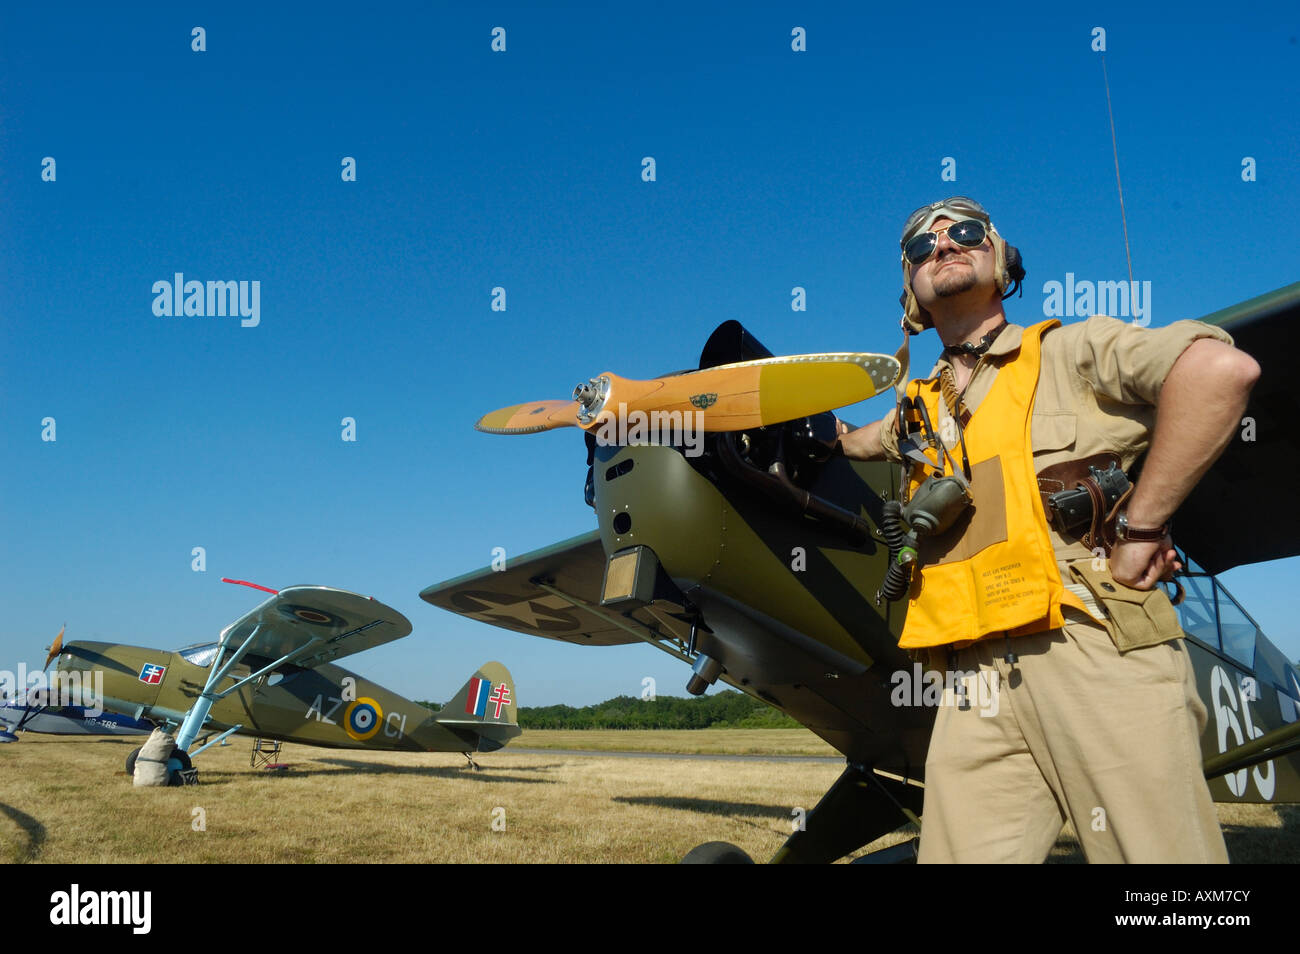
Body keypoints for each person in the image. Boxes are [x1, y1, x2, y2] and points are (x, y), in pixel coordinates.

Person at [839, 196, 1259, 863]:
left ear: (1003, 260)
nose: (944, 245)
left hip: (1091, 642)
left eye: (967, 233)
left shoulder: (1074, 349)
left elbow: (1219, 372)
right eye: (922, 246)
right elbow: (848, 441)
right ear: (911, 292)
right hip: (972, 676)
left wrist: (1144, 528)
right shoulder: (915, 414)